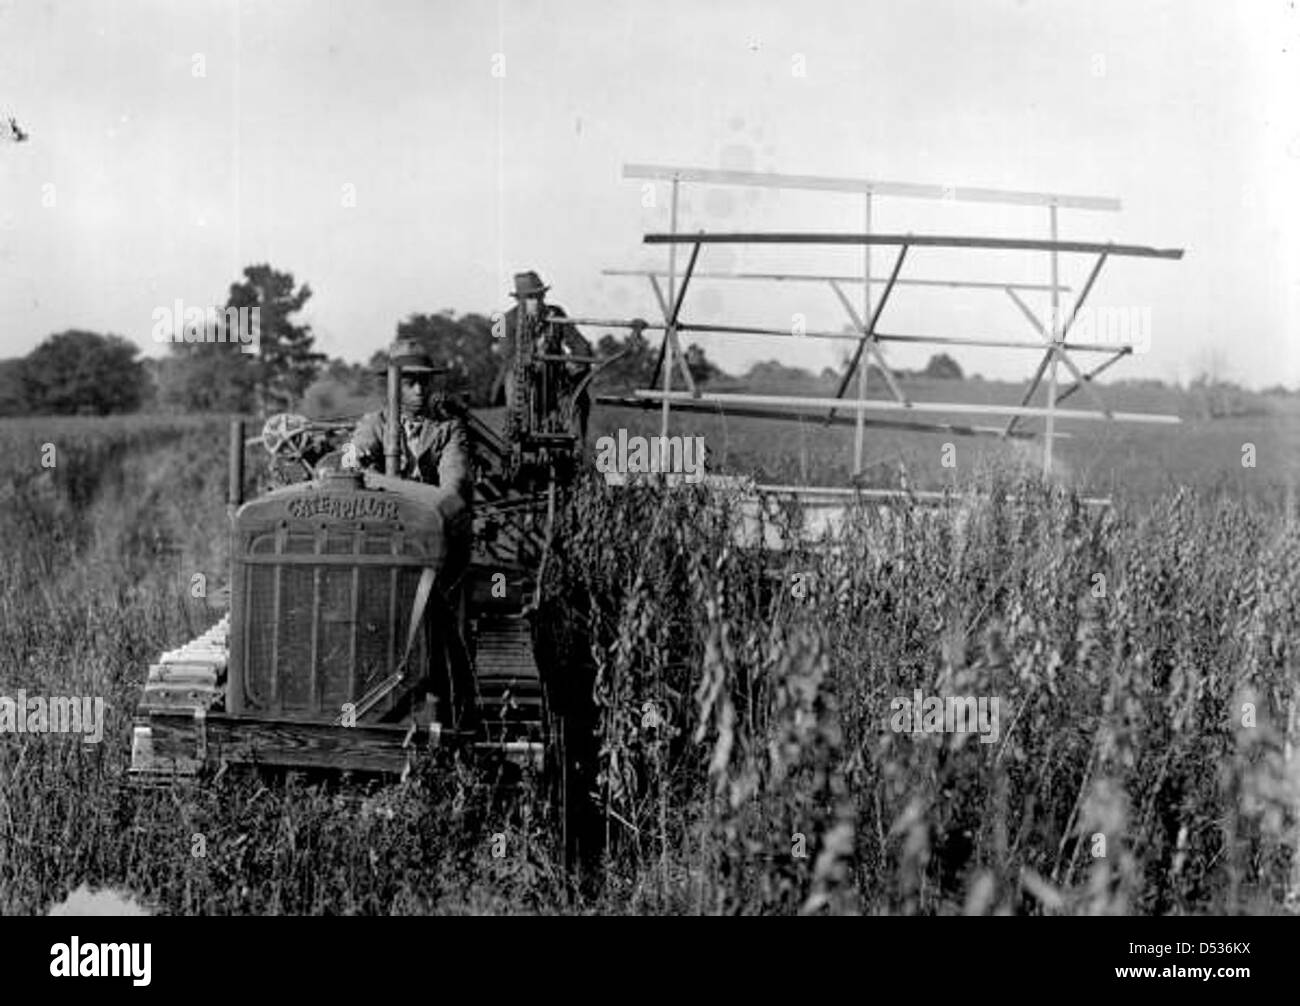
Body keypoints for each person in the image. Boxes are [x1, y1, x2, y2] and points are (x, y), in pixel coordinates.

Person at [341, 338, 472, 505]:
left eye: (423, 382)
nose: (419, 391)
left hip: (431, 513)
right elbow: (349, 458)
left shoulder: (448, 428)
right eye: (410, 383)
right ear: (394, 386)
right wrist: (356, 459)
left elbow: (454, 477)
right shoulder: (373, 423)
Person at [492, 271, 593, 443]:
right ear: (519, 300)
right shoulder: (503, 320)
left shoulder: (556, 314)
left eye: (539, 296)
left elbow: (579, 343)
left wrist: (576, 364)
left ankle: (578, 448)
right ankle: (516, 436)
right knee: (515, 387)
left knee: (580, 398)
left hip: (555, 374)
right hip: (520, 374)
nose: (536, 301)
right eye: (531, 297)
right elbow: (506, 354)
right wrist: (528, 359)